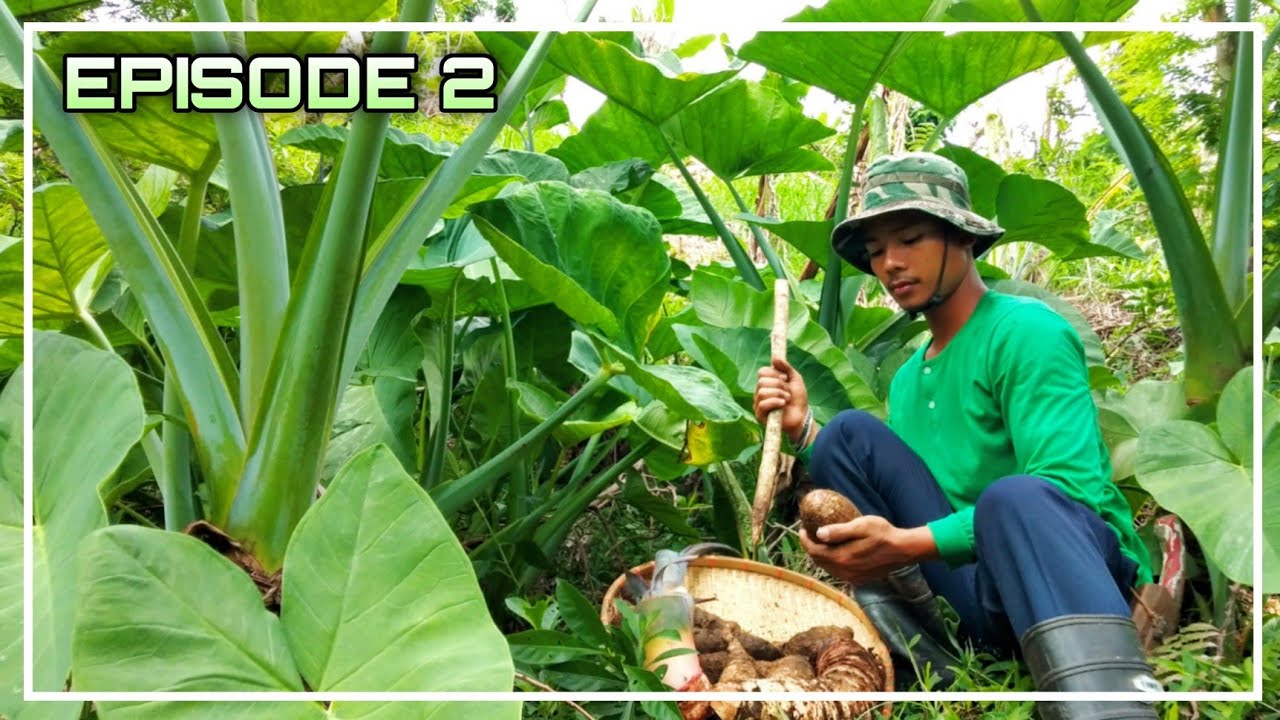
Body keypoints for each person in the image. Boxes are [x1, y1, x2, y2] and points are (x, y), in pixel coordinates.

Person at [752, 152, 1162, 719]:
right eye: (874, 252)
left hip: (1071, 582)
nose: (890, 263)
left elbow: (1067, 491)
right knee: (848, 434)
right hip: (980, 594)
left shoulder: (1027, 332)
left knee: (1014, 497)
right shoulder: (907, 375)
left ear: (963, 238)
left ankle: (1109, 708)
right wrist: (802, 429)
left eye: (911, 238)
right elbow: (911, 489)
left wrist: (906, 544)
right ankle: (938, 663)